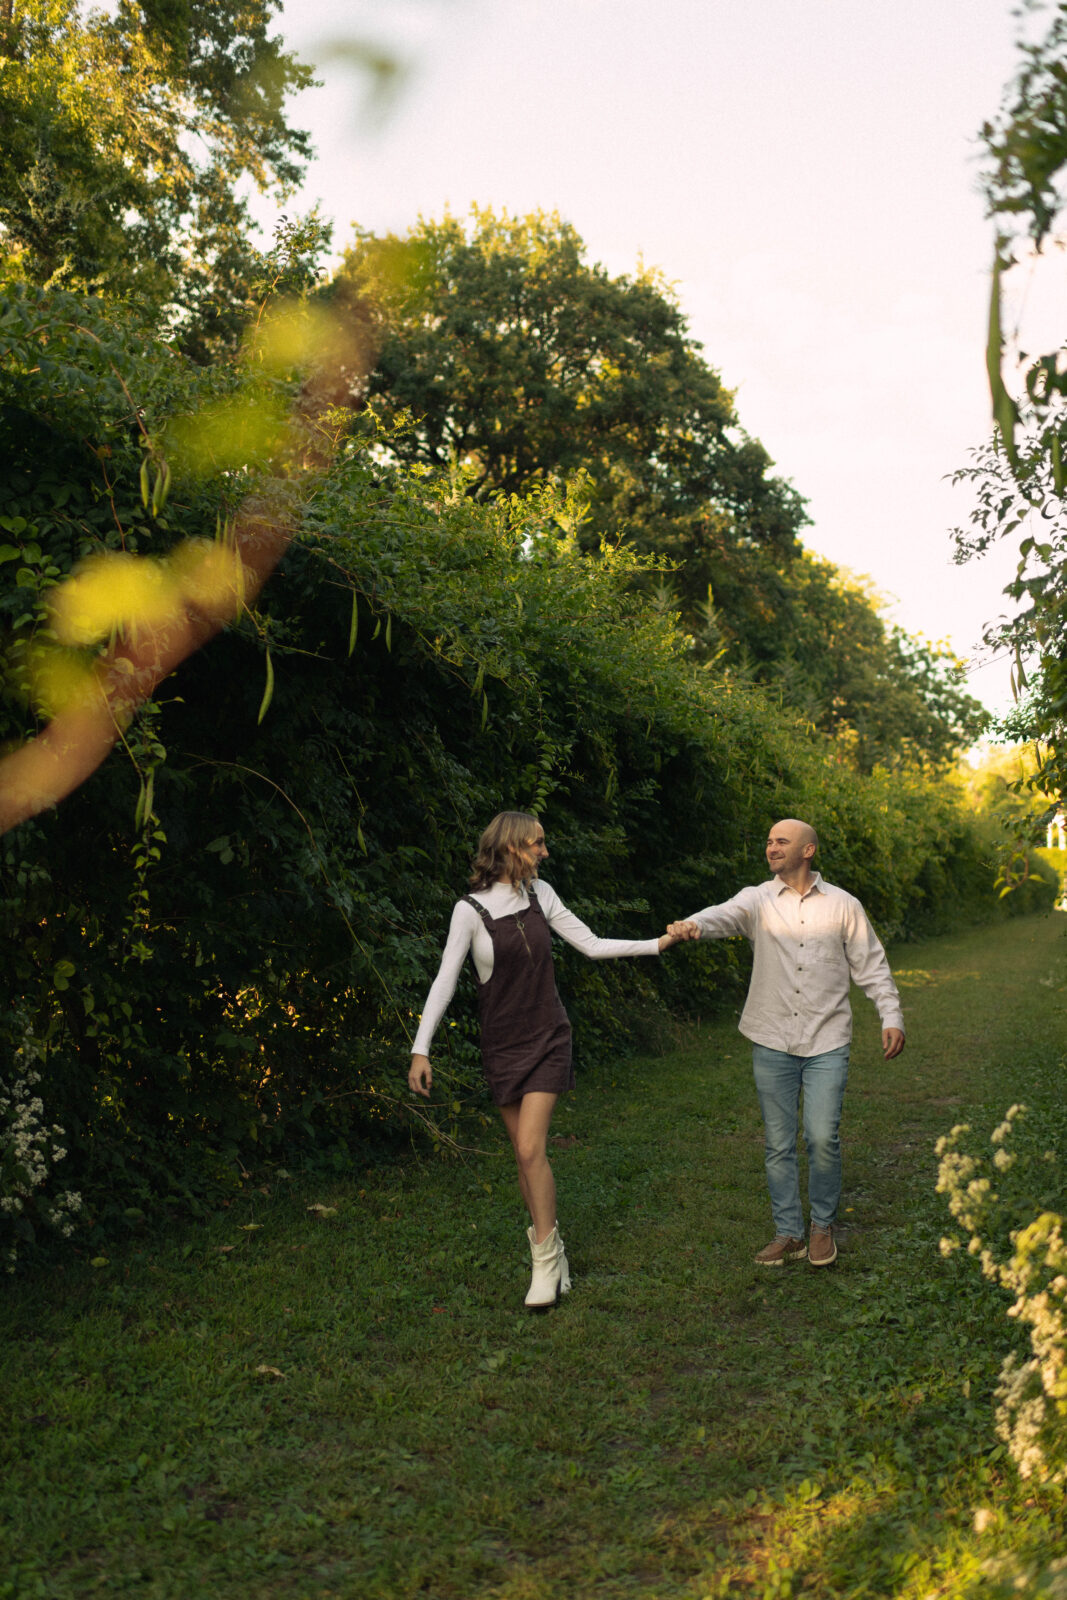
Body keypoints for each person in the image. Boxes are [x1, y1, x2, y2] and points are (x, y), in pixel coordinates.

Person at [409, 811, 683, 1309]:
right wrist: (420, 1048)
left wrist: (656, 944)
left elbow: (591, 945)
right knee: (523, 1154)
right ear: (511, 846)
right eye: (537, 843)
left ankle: (544, 1261)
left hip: (549, 1036)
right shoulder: (469, 910)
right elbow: (445, 979)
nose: (544, 852)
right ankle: (553, 1250)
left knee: (531, 1147)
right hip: (502, 1045)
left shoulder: (542, 895)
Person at [667, 818, 904, 1268]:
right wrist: (692, 925)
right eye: (769, 841)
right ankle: (789, 1233)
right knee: (778, 1143)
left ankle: (821, 1227)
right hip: (771, 1037)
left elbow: (872, 965)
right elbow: (722, 914)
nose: (771, 848)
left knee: (822, 1137)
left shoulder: (843, 905)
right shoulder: (757, 899)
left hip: (827, 1039)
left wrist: (890, 1015)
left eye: (781, 841)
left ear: (808, 850)